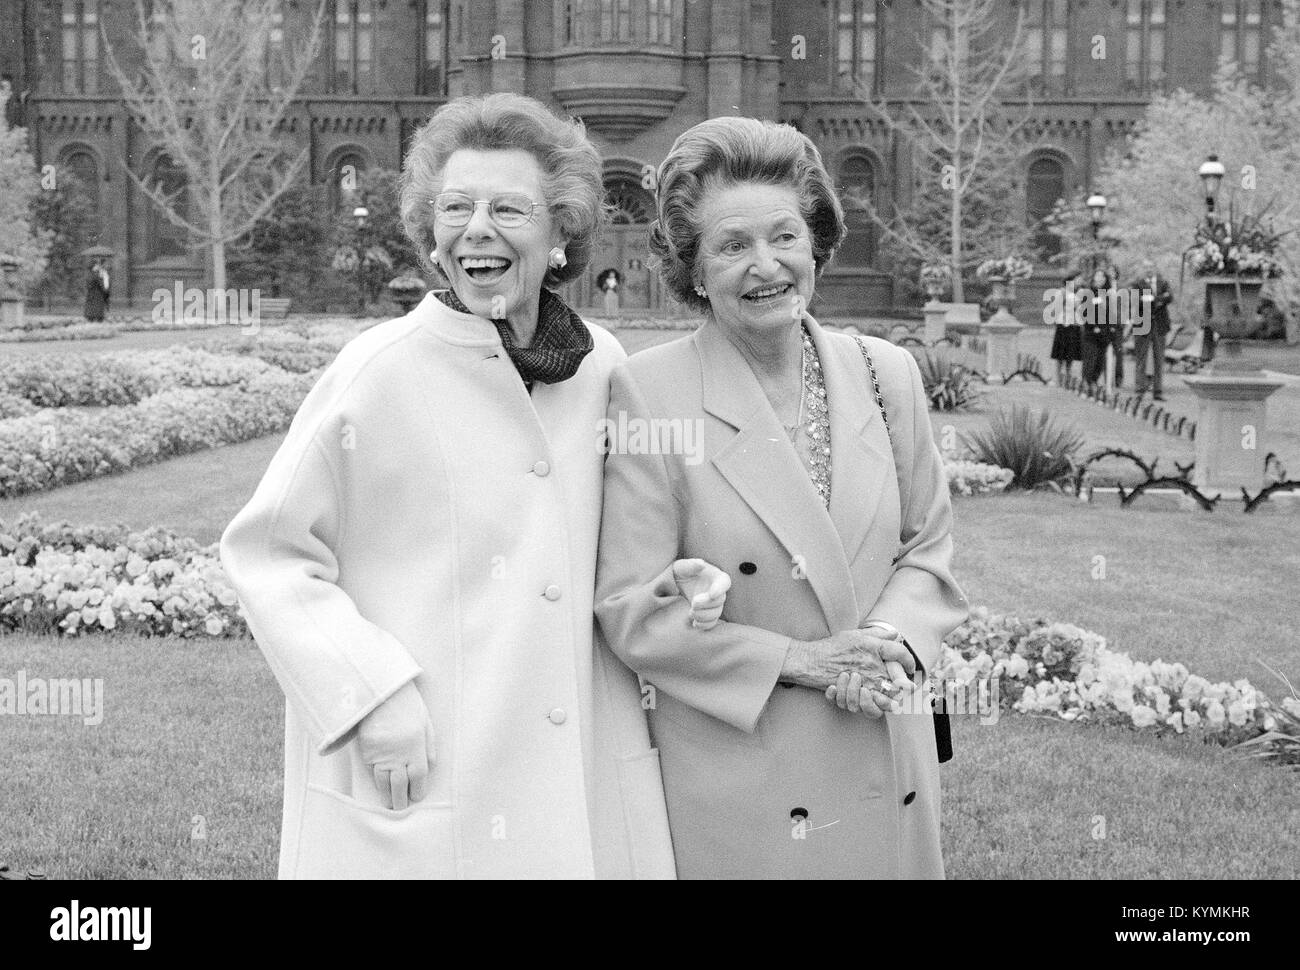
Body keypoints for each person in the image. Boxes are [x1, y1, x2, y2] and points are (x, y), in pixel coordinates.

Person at [220, 93, 677, 880]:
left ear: (562, 231)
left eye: (509, 208)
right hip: (425, 760)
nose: (477, 230)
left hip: (578, 766)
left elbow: (623, 545)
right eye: (456, 207)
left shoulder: (600, 362)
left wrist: (676, 582)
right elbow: (268, 554)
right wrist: (369, 694)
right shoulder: (378, 371)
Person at [595, 117, 969, 879]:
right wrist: (806, 661)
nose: (766, 265)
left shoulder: (885, 372)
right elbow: (632, 610)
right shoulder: (652, 392)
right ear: (694, 270)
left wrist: (888, 647)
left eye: (785, 237)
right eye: (732, 246)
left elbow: (927, 549)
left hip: (882, 746)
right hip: (746, 779)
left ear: (816, 245)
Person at [1129, 258, 1173, 400]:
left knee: (1159, 359)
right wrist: (1159, 299)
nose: (1148, 269)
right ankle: (1140, 389)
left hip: (1160, 324)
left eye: (1151, 267)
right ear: (1143, 269)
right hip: (1142, 323)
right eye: (1146, 267)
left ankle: (1158, 391)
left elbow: (1170, 296)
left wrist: (1151, 299)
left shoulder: (1163, 282)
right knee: (1141, 357)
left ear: (1155, 268)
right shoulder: (1137, 284)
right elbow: (1137, 300)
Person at [1080, 266, 1117, 394]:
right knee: (1090, 357)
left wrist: (1111, 327)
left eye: (1102, 276)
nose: (1099, 279)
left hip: (1104, 331)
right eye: (1097, 276)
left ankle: (1094, 380)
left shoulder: (1108, 293)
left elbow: (1112, 313)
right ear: (1094, 278)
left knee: (1100, 360)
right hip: (1091, 331)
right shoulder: (1088, 292)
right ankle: (1087, 381)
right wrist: (1093, 326)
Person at [1050, 271, 1083, 385]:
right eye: (1078, 279)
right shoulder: (1062, 292)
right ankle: (1058, 378)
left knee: (1071, 354)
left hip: (1074, 326)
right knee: (1060, 354)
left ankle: (1068, 378)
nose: (1080, 281)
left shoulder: (1079, 292)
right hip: (1064, 325)